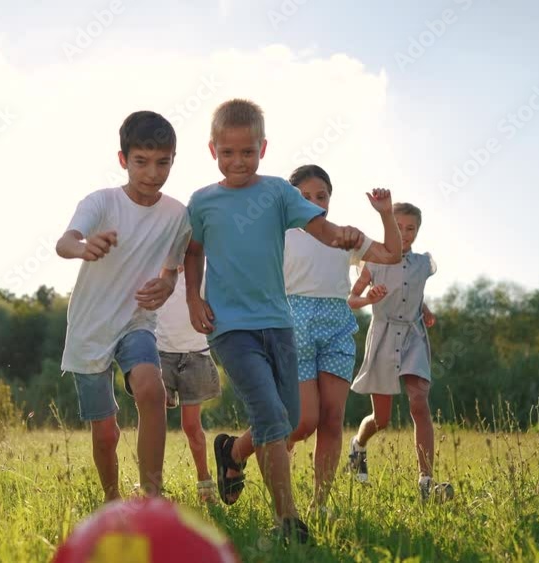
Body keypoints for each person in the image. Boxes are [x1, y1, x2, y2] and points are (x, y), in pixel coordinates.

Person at [184, 98, 369, 544]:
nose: (237, 161)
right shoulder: (203, 201)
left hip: (279, 323)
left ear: (263, 149)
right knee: (268, 413)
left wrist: (342, 234)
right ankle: (288, 521)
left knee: (286, 419)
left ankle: (231, 451)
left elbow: (320, 228)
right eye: (227, 153)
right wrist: (193, 297)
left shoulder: (277, 193)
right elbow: (193, 251)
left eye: (247, 152)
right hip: (229, 328)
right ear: (212, 151)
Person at [56, 110, 191, 503]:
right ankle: (113, 503)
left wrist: (167, 283)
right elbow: (65, 242)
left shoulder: (177, 215)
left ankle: (152, 497)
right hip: (90, 329)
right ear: (123, 160)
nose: (152, 172)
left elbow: (174, 264)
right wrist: (83, 248)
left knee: (151, 390)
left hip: (137, 321)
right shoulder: (101, 202)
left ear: (173, 160)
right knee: (105, 434)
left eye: (162, 162)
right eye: (141, 162)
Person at [281, 164, 402, 512]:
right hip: (295, 324)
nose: (315, 203)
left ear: (330, 199)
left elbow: (391, 254)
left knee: (332, 419)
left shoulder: (341, 236)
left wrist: (386, 214)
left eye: (321, 196)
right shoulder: (282, 234)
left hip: (336, 325)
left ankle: (320, 503)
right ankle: (266, 456)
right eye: (305, 197)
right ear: (292, 199)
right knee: (304, 421)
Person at [346, 202, 453, 502]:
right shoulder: (374, 261)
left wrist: (424, 308)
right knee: (382, 419)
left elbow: (412, 290)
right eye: (398, 227)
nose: (404, 234)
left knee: (419, 402)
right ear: (387, 228)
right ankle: (358, 445)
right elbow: (351, 298)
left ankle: (426, 482)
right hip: (382, 335)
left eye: (410, 229)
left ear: (418, 231)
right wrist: (368, 297)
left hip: (414, 336)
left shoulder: (422, 263)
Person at [155, 264, 222, 503]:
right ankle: (152, 486)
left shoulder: (202, 276)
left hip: (195, 356)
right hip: (161, 355)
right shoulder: (157, 270)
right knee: (154, 422)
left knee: (191, 426)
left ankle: (205, 483)